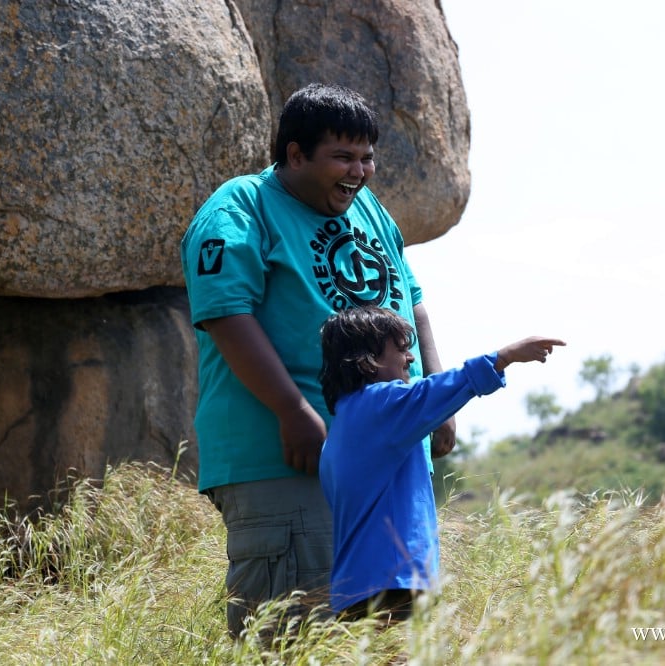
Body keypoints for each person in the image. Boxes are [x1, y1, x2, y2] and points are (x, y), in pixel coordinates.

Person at [179, 83, 455, 636]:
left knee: (385, 638)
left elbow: (413, 303)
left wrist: (436, 399)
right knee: (294, 636)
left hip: (389, 469)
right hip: (291, 462)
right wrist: (292, 411)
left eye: (367, 157)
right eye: (343, 157)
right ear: (295, 154)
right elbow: (226, 313)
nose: (360, 171)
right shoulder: (241, 209)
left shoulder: (369, 209)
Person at [317, 306, 565, 622]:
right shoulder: (382, 404)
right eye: (401, 349)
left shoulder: (340, 427)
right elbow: (435, 391)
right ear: (369, 361)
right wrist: (504, 357)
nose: (410, 358)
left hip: (353, 591)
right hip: (391, 584)